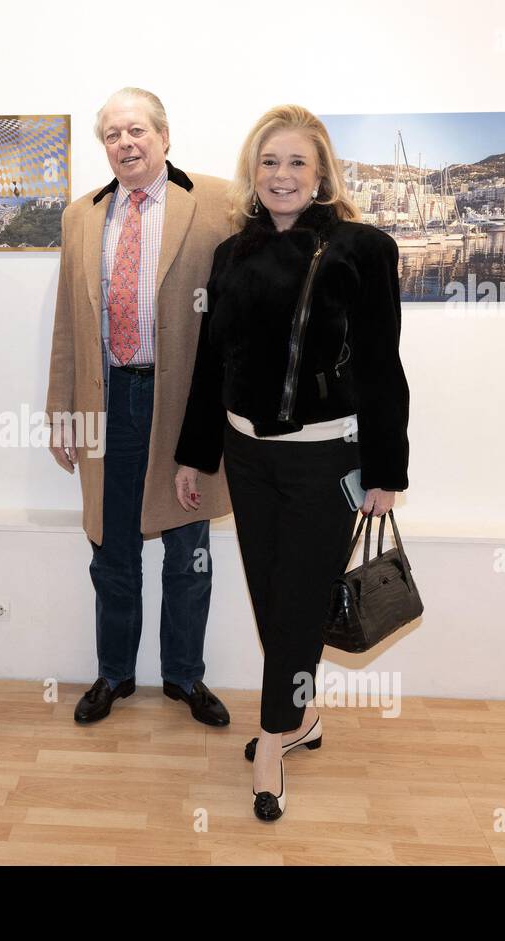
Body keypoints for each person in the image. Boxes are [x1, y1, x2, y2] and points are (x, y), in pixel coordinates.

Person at [174, 105, 410, 821]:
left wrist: (385, 471)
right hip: (247, 459)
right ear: (255, 172)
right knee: (273, 600)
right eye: (269, 162)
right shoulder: (231, 254)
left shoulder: (362, 248)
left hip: (325, 465)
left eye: (296, 163)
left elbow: (380, 365)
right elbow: (213, 363)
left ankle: (274, 739)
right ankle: (302, 715)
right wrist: (196, 455)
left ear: (321, 173)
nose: (282, 176)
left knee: (298, 606)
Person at [46, 88, 234, 727]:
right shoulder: (80, 217)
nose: (124, 144)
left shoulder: (216, 202)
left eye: (136, 131)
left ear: (164, 135)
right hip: (107, 400)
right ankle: (113, 675)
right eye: (112, 136)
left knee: (189, 550)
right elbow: (68, 327)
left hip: (186, 402)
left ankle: (186, 678)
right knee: (112, 547)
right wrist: (62, 413)